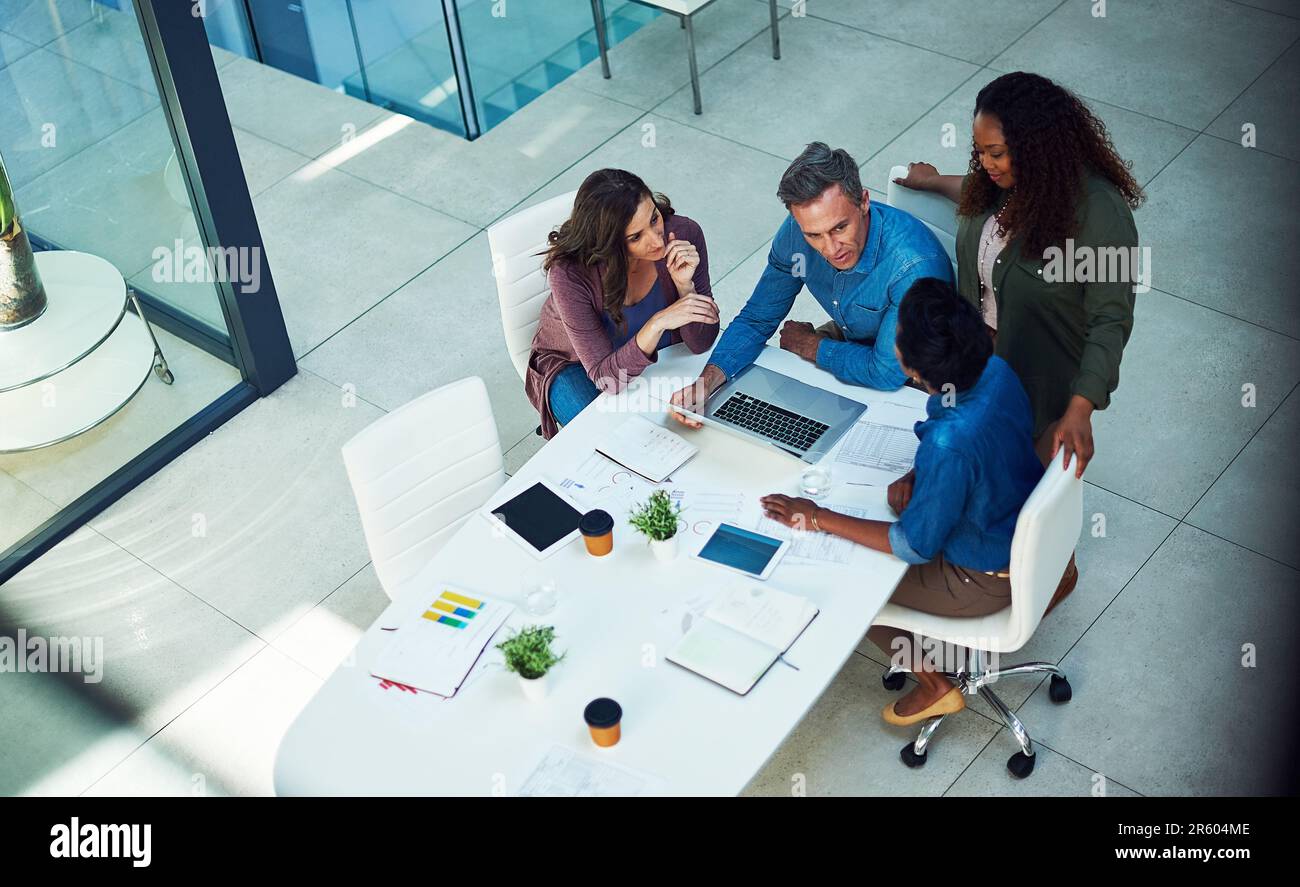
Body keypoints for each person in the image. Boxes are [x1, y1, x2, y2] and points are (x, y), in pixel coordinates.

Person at [760, 278, 1047, 725]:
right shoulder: (993, 371)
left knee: (854, 582)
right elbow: (960, 433)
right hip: (1022, 534)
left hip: (983, 574)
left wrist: (817, 517)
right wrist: (919, 474)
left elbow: (913, 545)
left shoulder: (951, 442)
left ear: (915, 372)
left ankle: (935, 686)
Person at [894, 71, 1143, 480]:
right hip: (975, 369)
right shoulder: (998, 182)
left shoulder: (1102, 214)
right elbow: (975, 194)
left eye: (996, 152)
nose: (986, 165)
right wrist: (933, 181)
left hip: (1040, 389)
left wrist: (1081, 409)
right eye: (979, 152)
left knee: (1024, 507)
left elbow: (1110, 321)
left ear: (1037, 148)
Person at [667, 142, 953, 427]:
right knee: (774, 417)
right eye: (814, 235)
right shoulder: (796, 234)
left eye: (840, 228)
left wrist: (811, 345)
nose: (830, 249)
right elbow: (757, 319)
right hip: (853, 338)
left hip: (917, 372)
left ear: (864, 201)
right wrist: (707, 382)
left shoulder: (912, 269)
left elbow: (886, 371)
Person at [526, 169, 719, 438]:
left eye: (654, 218)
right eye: (635, 237)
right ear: (608, 244)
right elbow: (607, 378)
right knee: (612, 441)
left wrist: (686, 289)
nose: (656, 239)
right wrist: (658, 322)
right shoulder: (569, 275)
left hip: (654, 354)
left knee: (694, 427)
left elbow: (701, 343)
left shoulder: (683, 235)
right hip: (578, 366)